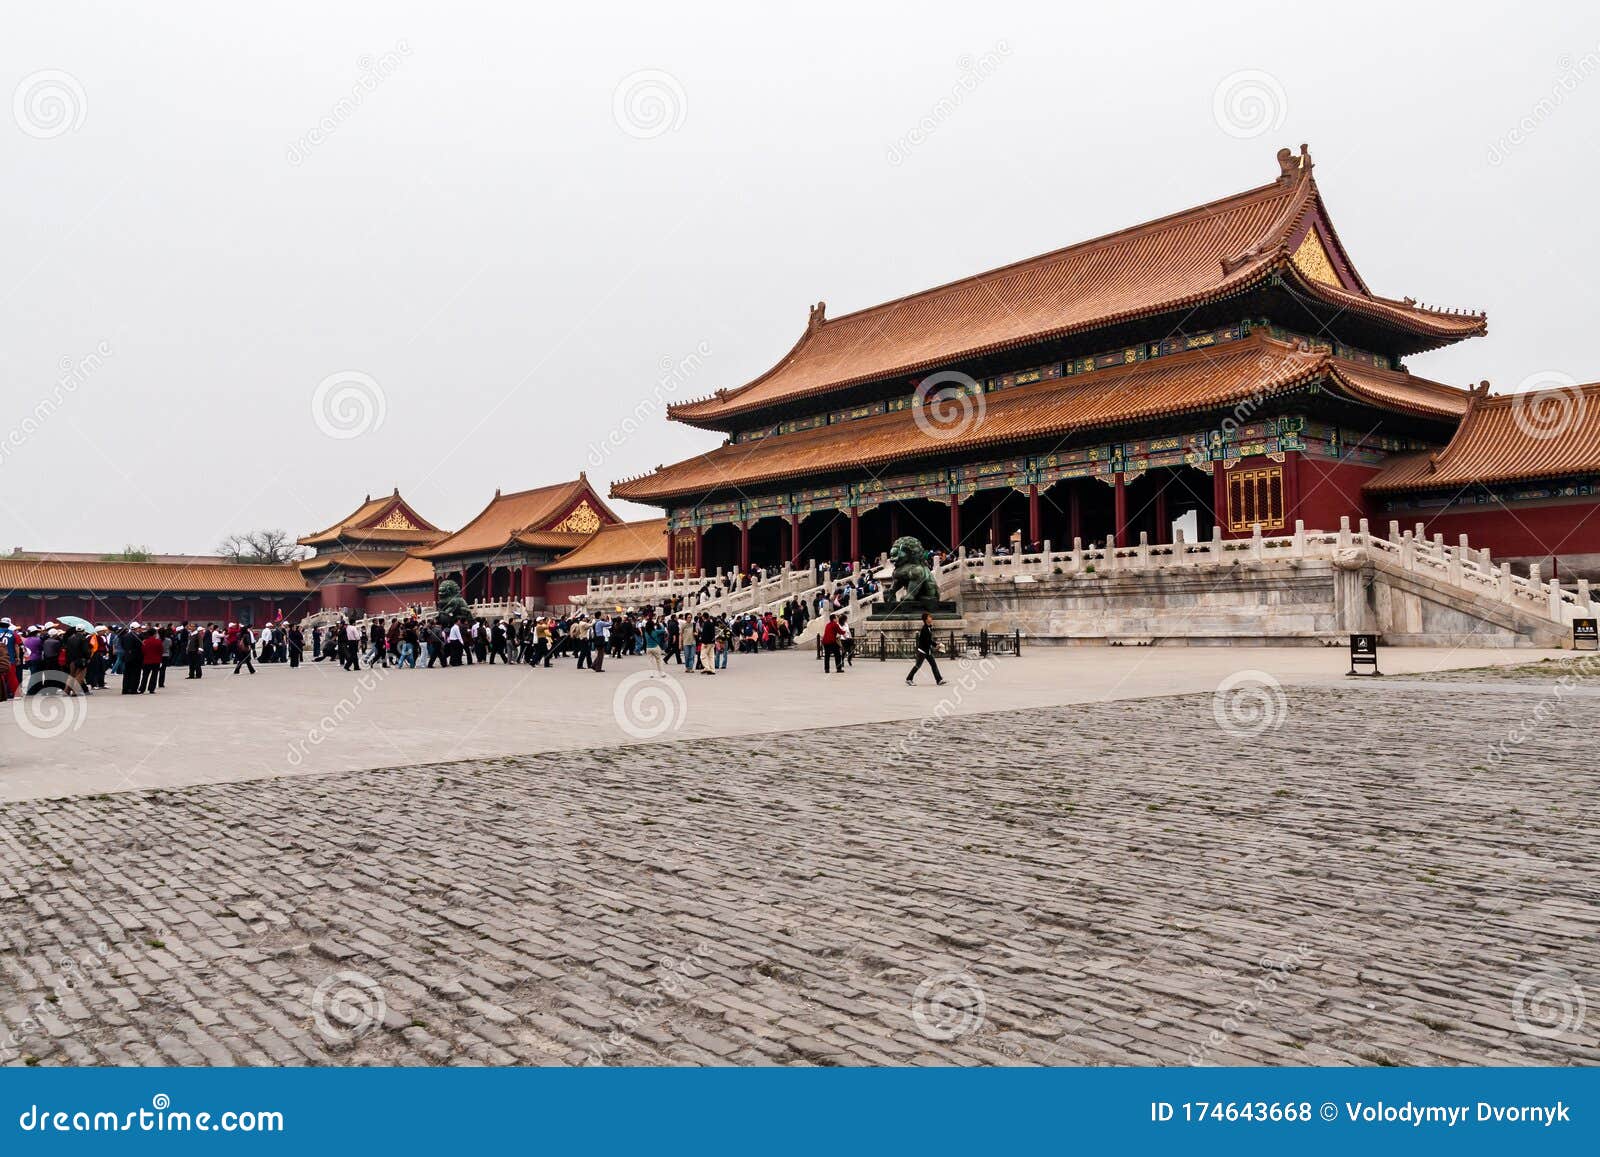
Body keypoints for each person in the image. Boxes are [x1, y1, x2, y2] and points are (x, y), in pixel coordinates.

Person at [906, 611, 946, 687]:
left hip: (927, 650)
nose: (931, 618)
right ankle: (909, 679)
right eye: (929, 617)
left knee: (933, 665)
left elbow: (929, 640)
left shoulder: (928, 628)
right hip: (922, 651)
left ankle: (939, 680)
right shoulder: (924, 629)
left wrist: (935, 645)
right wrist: (935, 647)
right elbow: (926, 641)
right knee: (918, 665)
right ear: (926, 619)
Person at [120, 622, 144, 694]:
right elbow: (139, 647)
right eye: (139, 628)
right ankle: (133, 689)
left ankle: (125, 689)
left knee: (127, 674)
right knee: (136, 674)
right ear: (136, 628)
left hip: (127, 657)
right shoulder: (137, 637)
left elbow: (123, 646)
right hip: (136, 658)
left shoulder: (125, 636)